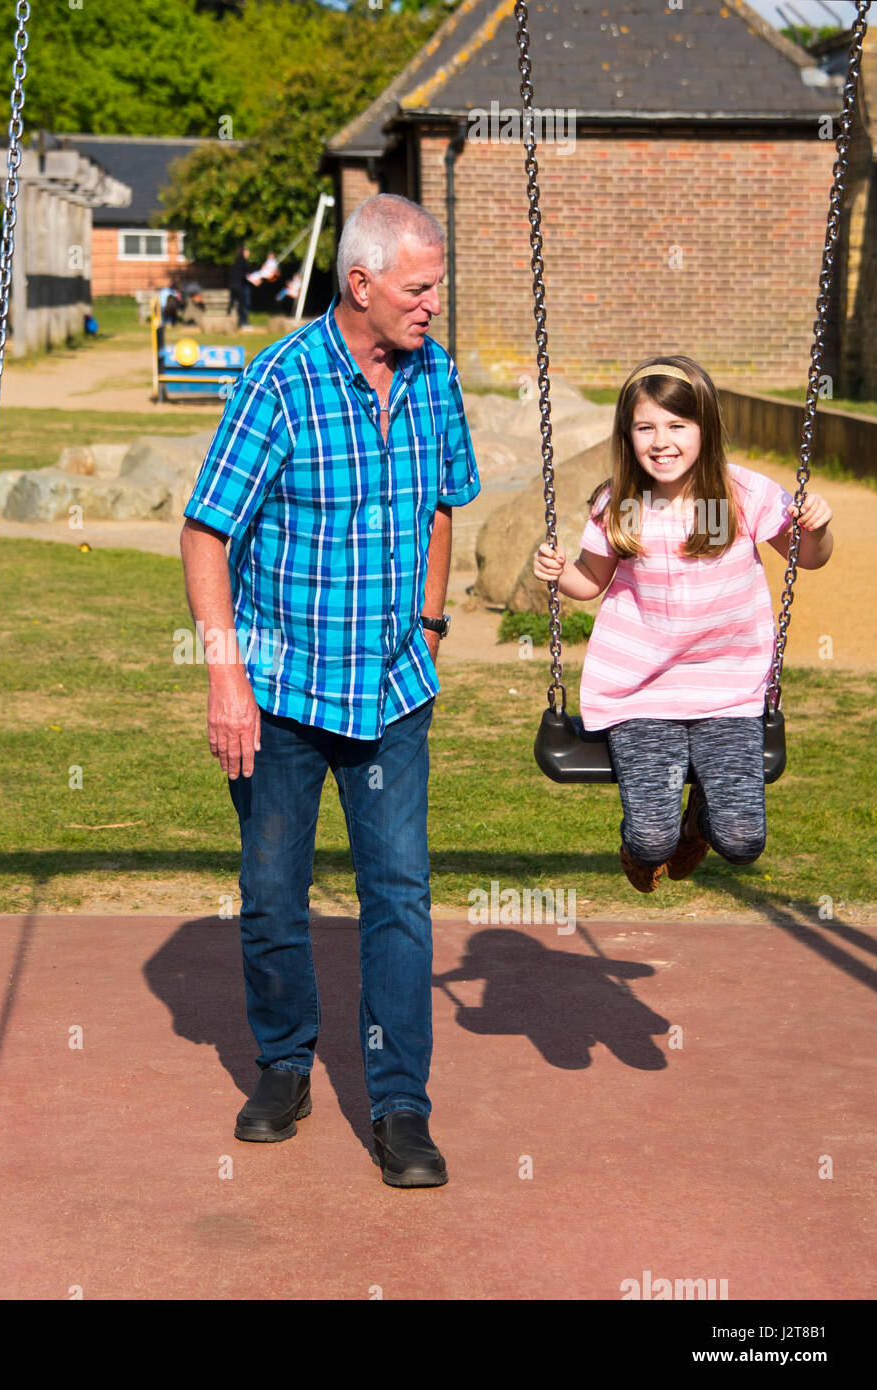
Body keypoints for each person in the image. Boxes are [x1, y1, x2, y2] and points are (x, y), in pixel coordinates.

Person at [180, 194, 480, 1187]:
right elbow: (206, 533)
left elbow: (444, 501)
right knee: (273, 894)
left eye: (435, 285)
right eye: (419, 286)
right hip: (279, 690)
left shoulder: (434, 375)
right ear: (360, 285)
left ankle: (399, 1106)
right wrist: (227, 678)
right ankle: (281, 1064)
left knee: (399, 898)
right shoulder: (278, 382)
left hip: (392, 689)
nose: (434, 304)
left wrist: (430, 622)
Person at [532, 355, 833, 892]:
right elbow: (590, 579)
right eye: (645, 427)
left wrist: (817, 526)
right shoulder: (621, 503)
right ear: (628, 433)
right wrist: (558, 575)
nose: (661, 441)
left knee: (743, 839)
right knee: (650, 838)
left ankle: (699, 821)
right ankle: (649, 842)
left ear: (705, 429)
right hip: (641, 692)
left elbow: (807, 557)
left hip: (727, 690)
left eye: (677, 425)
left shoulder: (743, 495)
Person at [227, 245, 252, 330]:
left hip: (233, 285)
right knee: (242, 305)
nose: (249, 253)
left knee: (231, 304)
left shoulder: (236, 262)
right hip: (239, 286)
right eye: (247, 252)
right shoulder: (243, 262)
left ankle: (228, 322)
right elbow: (248, 274)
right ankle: (243, 322)